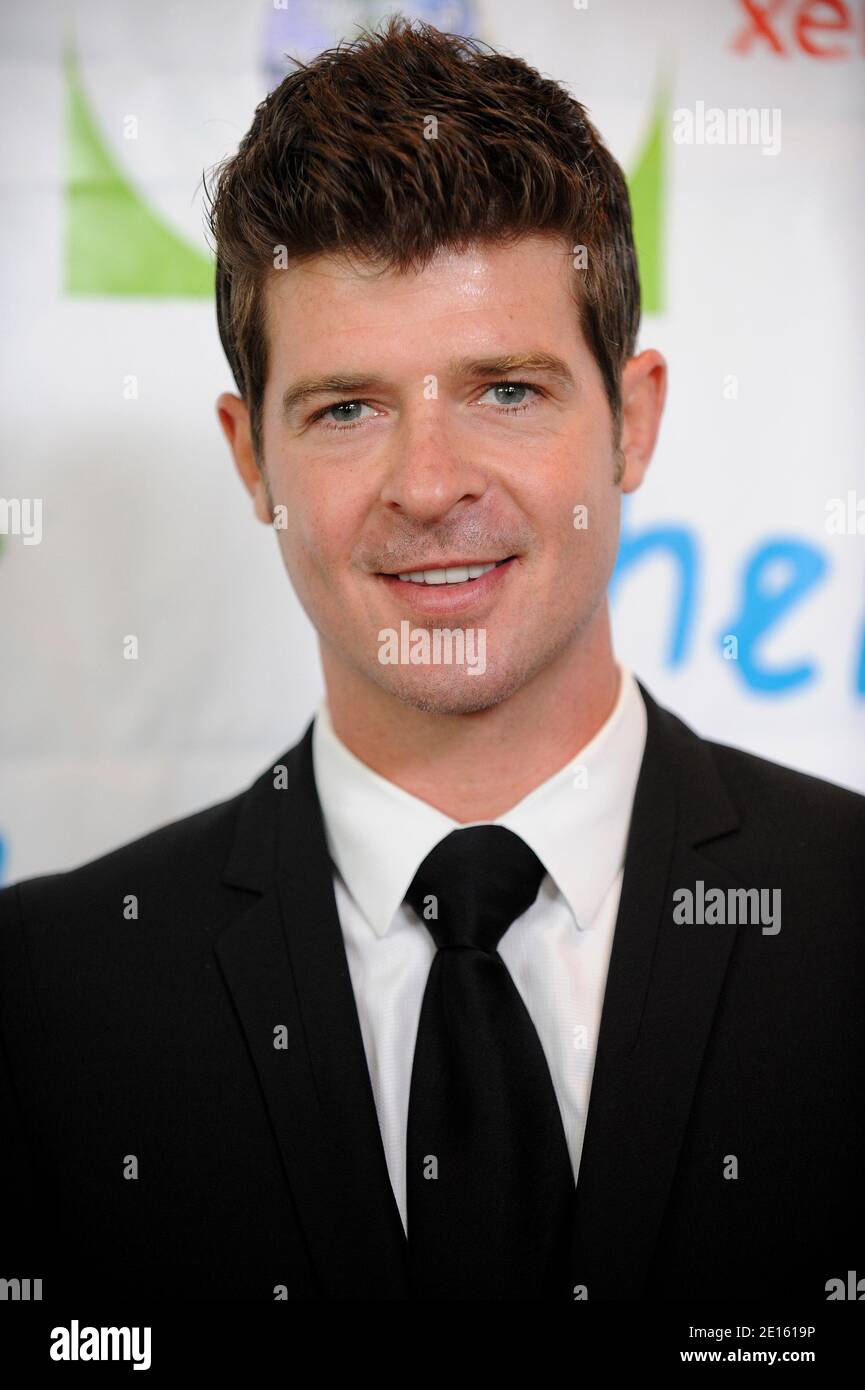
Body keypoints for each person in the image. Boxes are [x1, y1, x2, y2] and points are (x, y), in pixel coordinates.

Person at [1, 16, 862, 1303]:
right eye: (346, 409)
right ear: (252, 460)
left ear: (632, 421)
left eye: (505, 389)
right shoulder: (45, 997)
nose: (430, 484)